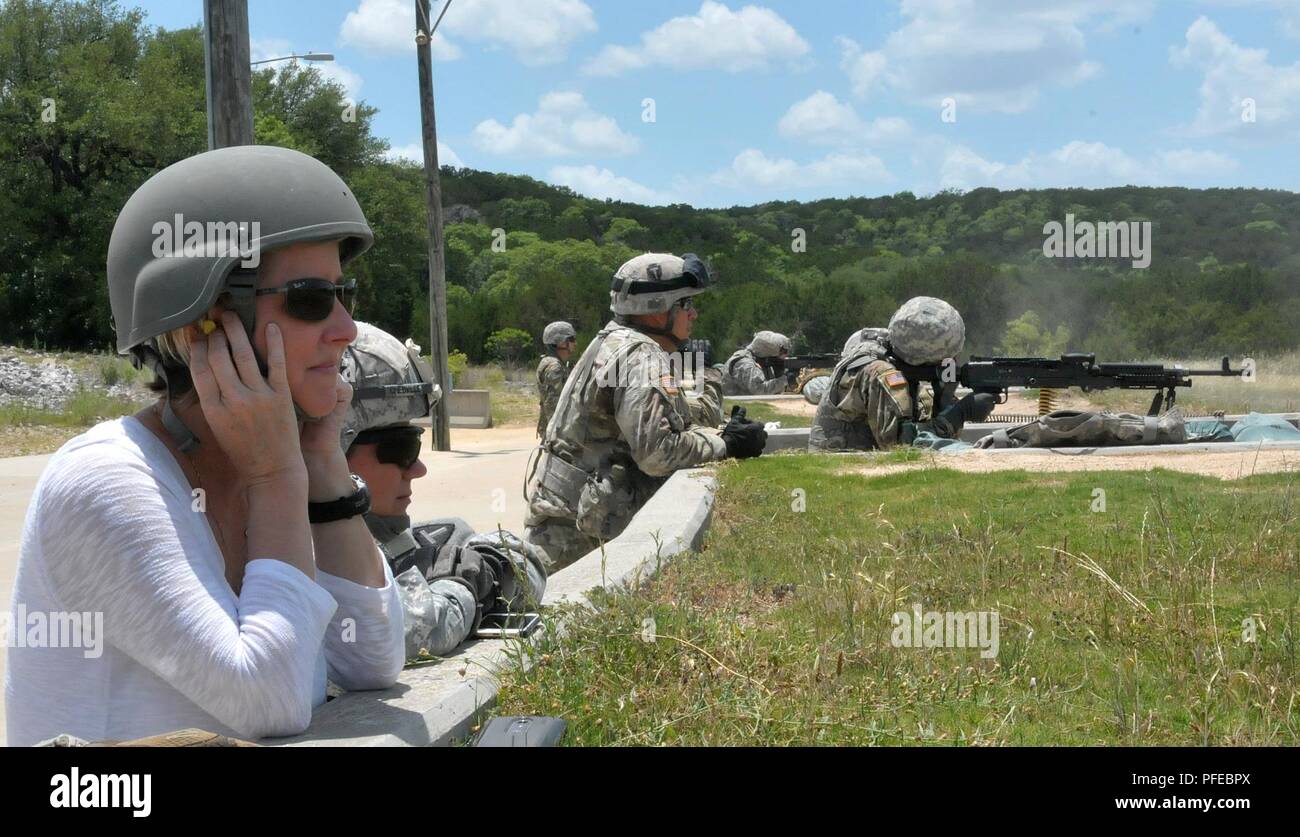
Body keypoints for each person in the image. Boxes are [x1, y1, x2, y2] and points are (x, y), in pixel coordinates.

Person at [5, 146, 405, 747]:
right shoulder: (107, 483)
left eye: (345, 294)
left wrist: (321, 468)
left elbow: (372, 659)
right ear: (206, 323)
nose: (346, 328)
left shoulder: (271, 462)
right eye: (310, 299)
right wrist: (276, 478)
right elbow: (270, 702)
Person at [524, 253, 768, 570]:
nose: (693, 314)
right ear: (657, 309)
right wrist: (726, 445)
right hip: (577, 539)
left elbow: (665, 419)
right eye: (685, 304)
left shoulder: (615, 341)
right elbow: (657, 453)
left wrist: (716, 432)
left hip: (565, 523)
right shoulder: (640, 355)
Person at [340, 321, 546, 659]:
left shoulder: (373, 534)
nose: (418, 469)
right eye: (400, 449)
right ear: (334, 447)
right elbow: (402, 633)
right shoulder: (295, 546)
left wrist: (489, 569)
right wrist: (463, 586)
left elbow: (525, 568)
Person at [808, 298, 994, 451]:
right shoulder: (882, 374)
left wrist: (943, 400)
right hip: (844, 470)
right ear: (929, 356)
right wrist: (959, 414)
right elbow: (903, 447)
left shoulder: (882, 351)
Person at [536, 321, 576, 437]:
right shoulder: (555, 367)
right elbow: (553, 403)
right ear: (562, 342)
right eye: (572, 339)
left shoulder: (549, 362)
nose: (575, 343)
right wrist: (559, 433)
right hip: (558, 431)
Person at [721, 330, 791, 396]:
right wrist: (784, 380)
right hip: (738, 406)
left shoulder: (759, 361)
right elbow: (760, 390)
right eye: (780, 353)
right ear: (766, 351)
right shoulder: (745, 363)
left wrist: (779, 374)